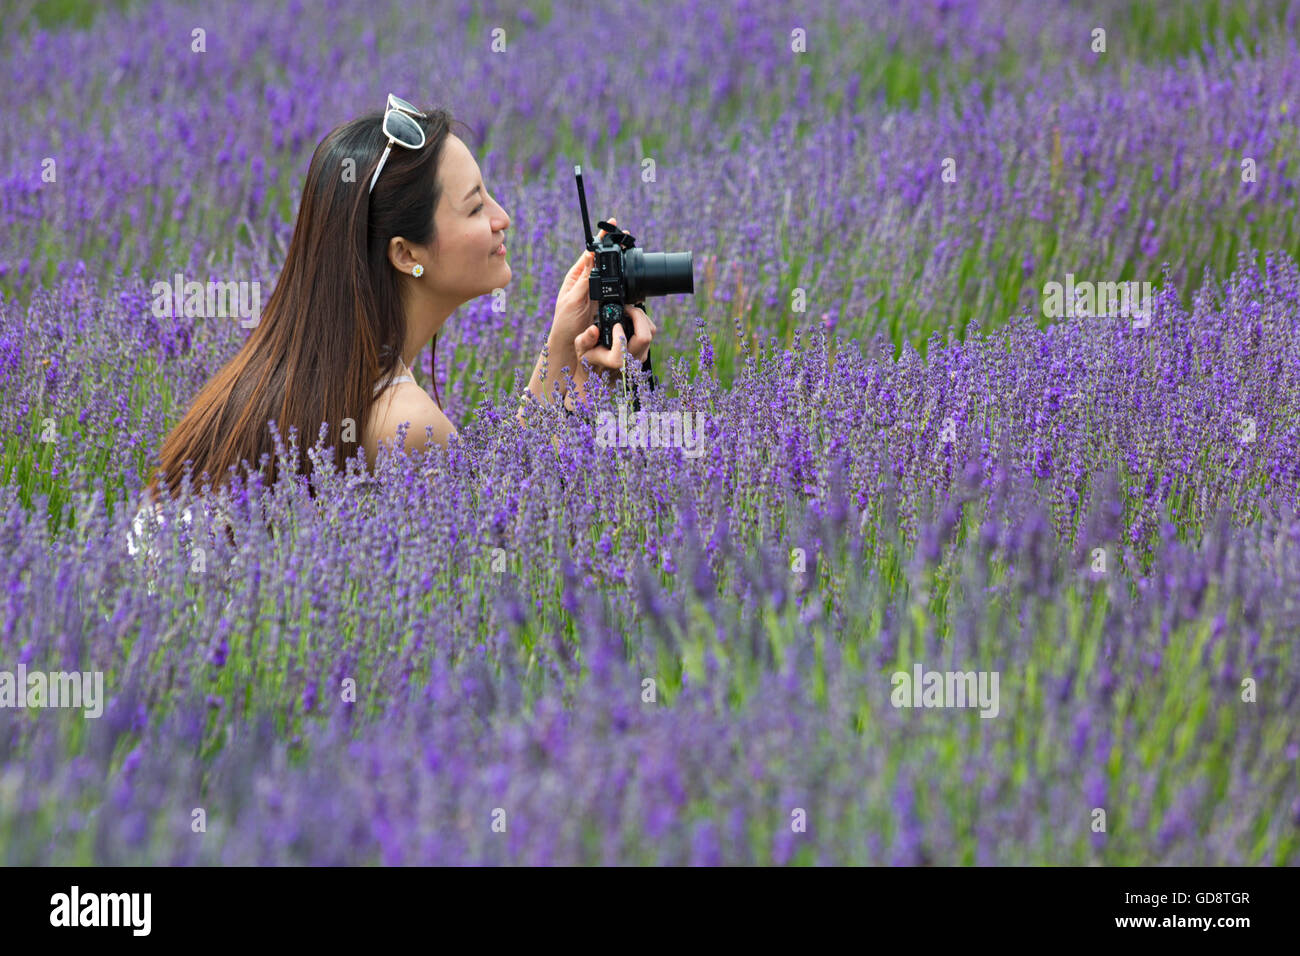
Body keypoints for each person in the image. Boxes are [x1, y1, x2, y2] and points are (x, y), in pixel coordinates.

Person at [128, 95, 656, 560]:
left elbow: (491, 504)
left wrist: (561, 350)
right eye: (475, 206)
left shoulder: (273, 375)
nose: (503, 217)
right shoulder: (407, 425)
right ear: (406, 254)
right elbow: (507, 565)